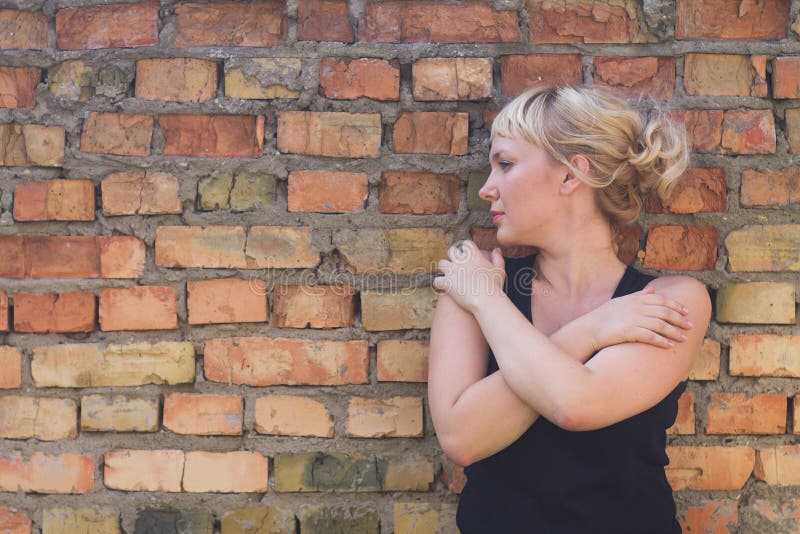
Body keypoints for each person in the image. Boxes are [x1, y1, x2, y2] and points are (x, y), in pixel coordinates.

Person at [428, 85, 711, 533]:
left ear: (569, 175)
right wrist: (592, 329)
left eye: (505, 164)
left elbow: (576, 403)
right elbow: (462, 439)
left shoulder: (671, 301)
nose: (486, 189)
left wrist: (486, 303)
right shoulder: (475, 288)